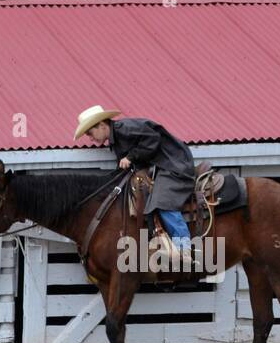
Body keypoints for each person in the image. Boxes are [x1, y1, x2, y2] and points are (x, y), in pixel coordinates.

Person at [73, 106, 195, 258]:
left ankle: (185, 248)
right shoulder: (115, 139)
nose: (90, 138)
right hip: (161, 167)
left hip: (174, 164)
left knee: (163, 202)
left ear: (103, 126)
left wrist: (130, 157)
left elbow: (153, 138)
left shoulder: (125, 129)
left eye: (90, 133)